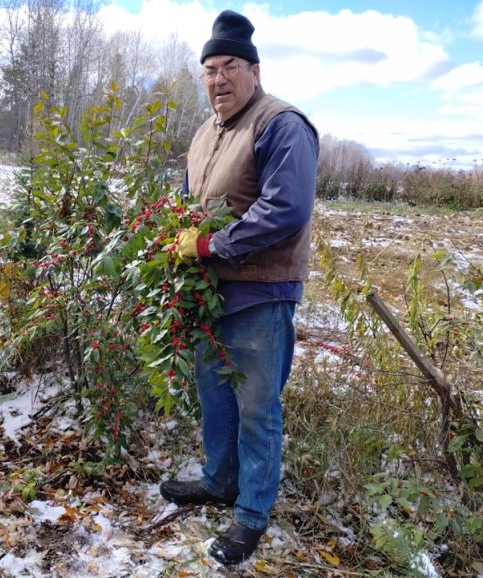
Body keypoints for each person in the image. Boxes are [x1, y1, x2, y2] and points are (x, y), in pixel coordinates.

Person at [160, 9, 319, 566]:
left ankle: (251, 513)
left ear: (255, 70)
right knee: (214, 396)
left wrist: (209, 246)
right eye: (209, 69)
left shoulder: (281, 124)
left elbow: (286, 210)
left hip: (261, 293)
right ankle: (218, 480)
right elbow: (189, 208)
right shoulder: (205, 134)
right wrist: (176, 247)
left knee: (257, 408)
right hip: (211, 294)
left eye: (230, 66)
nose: (218, 79)